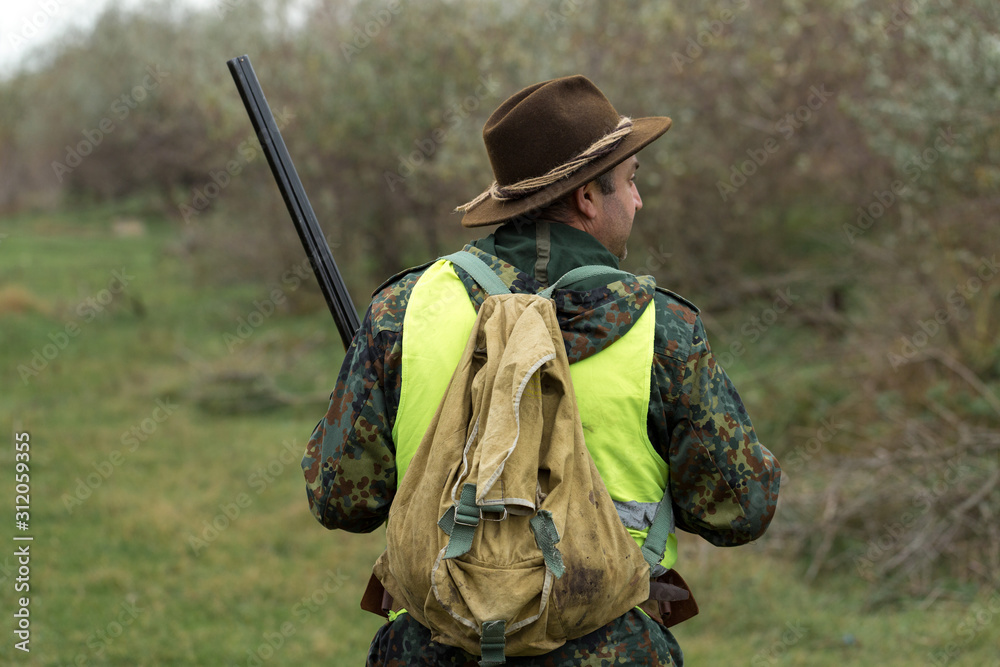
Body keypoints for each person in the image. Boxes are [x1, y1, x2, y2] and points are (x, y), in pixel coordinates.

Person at [301, 75, 781, 666]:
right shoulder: (662, 327)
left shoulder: (403, 310)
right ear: (586, 197)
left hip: (433, 648)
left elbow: (340, 500)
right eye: (631, 182)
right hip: (610, 646)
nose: (638, 200)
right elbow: (741, 509)